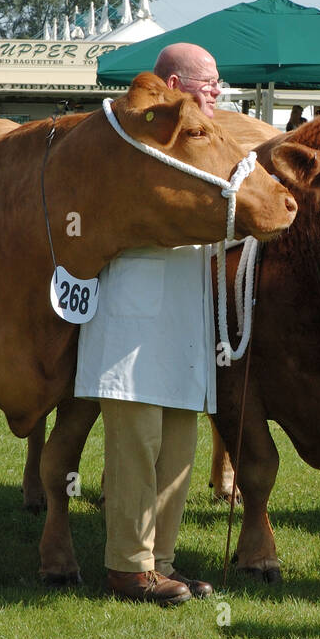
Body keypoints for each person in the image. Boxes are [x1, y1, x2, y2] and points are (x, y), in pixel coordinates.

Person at [75, 41, 223, 605]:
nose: (217, 89)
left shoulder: (207, 138)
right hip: (134, 317)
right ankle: (128, 568)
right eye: (208, 80)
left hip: (185, 310)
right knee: (138, 442)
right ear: (173, 84)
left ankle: (161, 561)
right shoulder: (129, 135)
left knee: (179, 445)